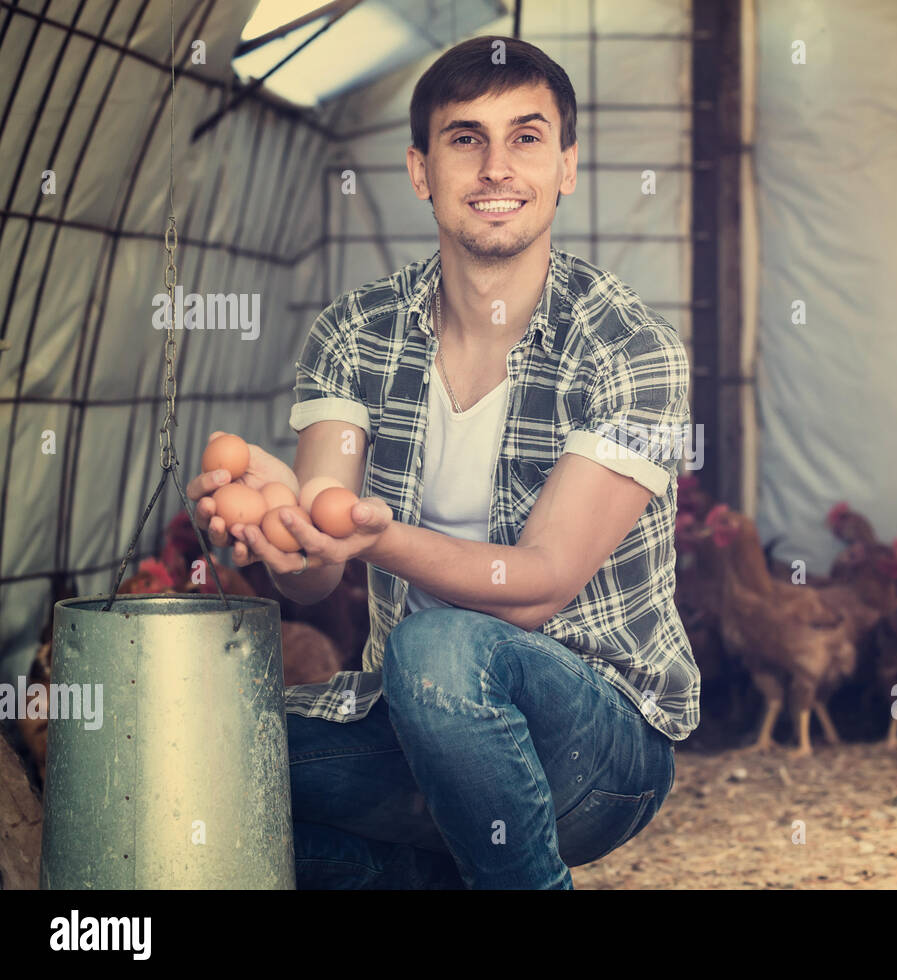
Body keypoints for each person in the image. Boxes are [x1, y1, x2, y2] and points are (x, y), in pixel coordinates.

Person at [187, 35, 699, 889]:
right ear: (422, 171)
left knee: (439, 648)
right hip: (419, 729)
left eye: (526, 138)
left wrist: (371, 539)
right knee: (213, 765)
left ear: (566, 166)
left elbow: (538, 583)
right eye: (466, 139)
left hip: (601, 742)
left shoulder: (629, 348)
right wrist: (286, 528)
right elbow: (318, 560)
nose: (497, 166)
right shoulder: (356, 334)